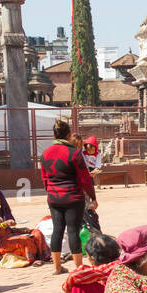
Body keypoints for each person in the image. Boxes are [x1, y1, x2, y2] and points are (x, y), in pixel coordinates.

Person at [40, 118, 97, 275]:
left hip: (54, 197)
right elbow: (85, 179)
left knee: (58, 229)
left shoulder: (45, 154)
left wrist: (51, 192)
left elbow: (44, 178)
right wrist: (92, 197)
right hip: (73, 197)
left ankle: (57, 267)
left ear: (54, 135)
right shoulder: (74, 153)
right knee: (73, 230)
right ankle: (78, 268)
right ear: (68, 135)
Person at [0, 185, 50, 265]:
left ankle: (45, 257)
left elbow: (8, 230)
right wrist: (5, 223)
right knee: (25, 240)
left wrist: (24, 230)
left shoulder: (0, 210)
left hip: (6, 236)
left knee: (36, 232)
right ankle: (32, 260)